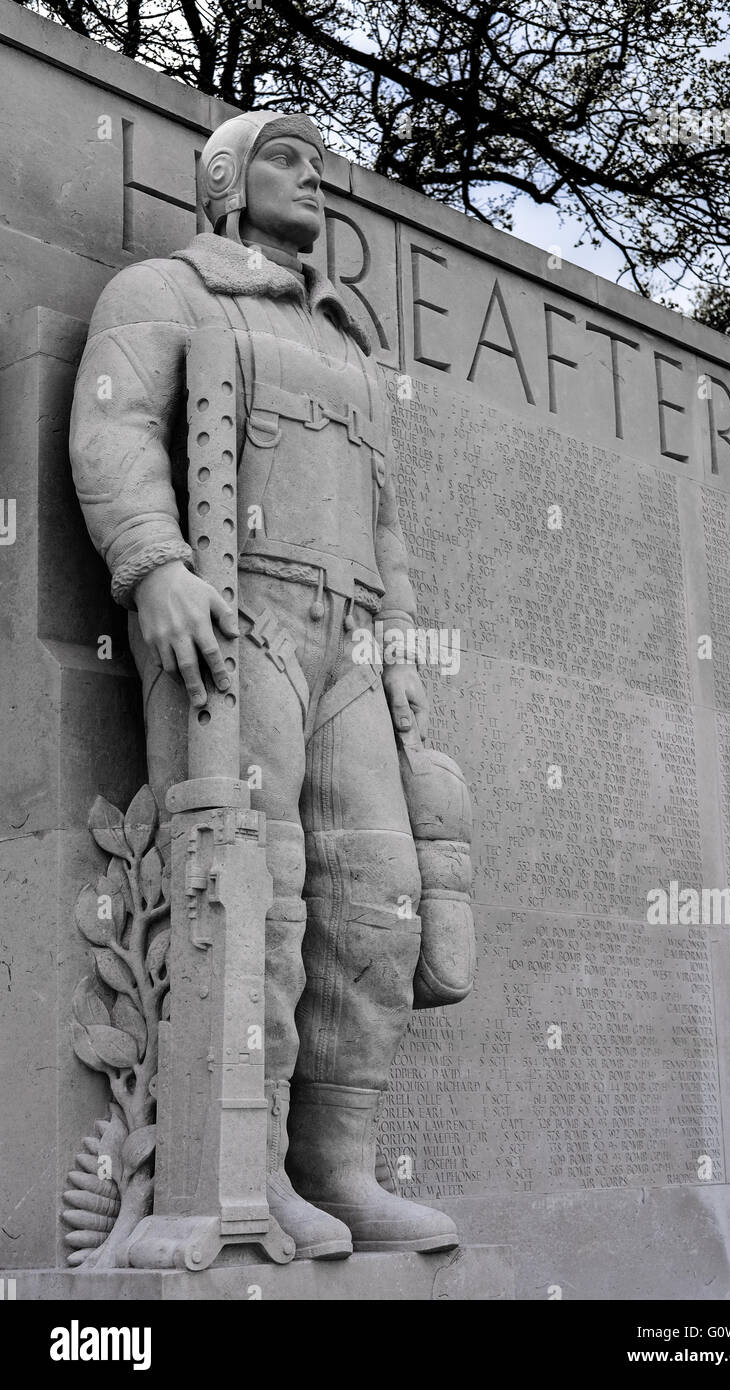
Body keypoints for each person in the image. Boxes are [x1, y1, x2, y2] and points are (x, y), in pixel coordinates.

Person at [69, 110, 458, 1259]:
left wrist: (400, 655)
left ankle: (337, 1167)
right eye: (286, 158)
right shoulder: (163, 291)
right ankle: (246, 1167)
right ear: (228, 181)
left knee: (377, 899)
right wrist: (152, 569)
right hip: (235, 617)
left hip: (350, 640)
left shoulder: (346, 345)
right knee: (259, 886)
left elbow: (387, 525)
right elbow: (114, 431)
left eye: (321, 163)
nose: (315, 178)